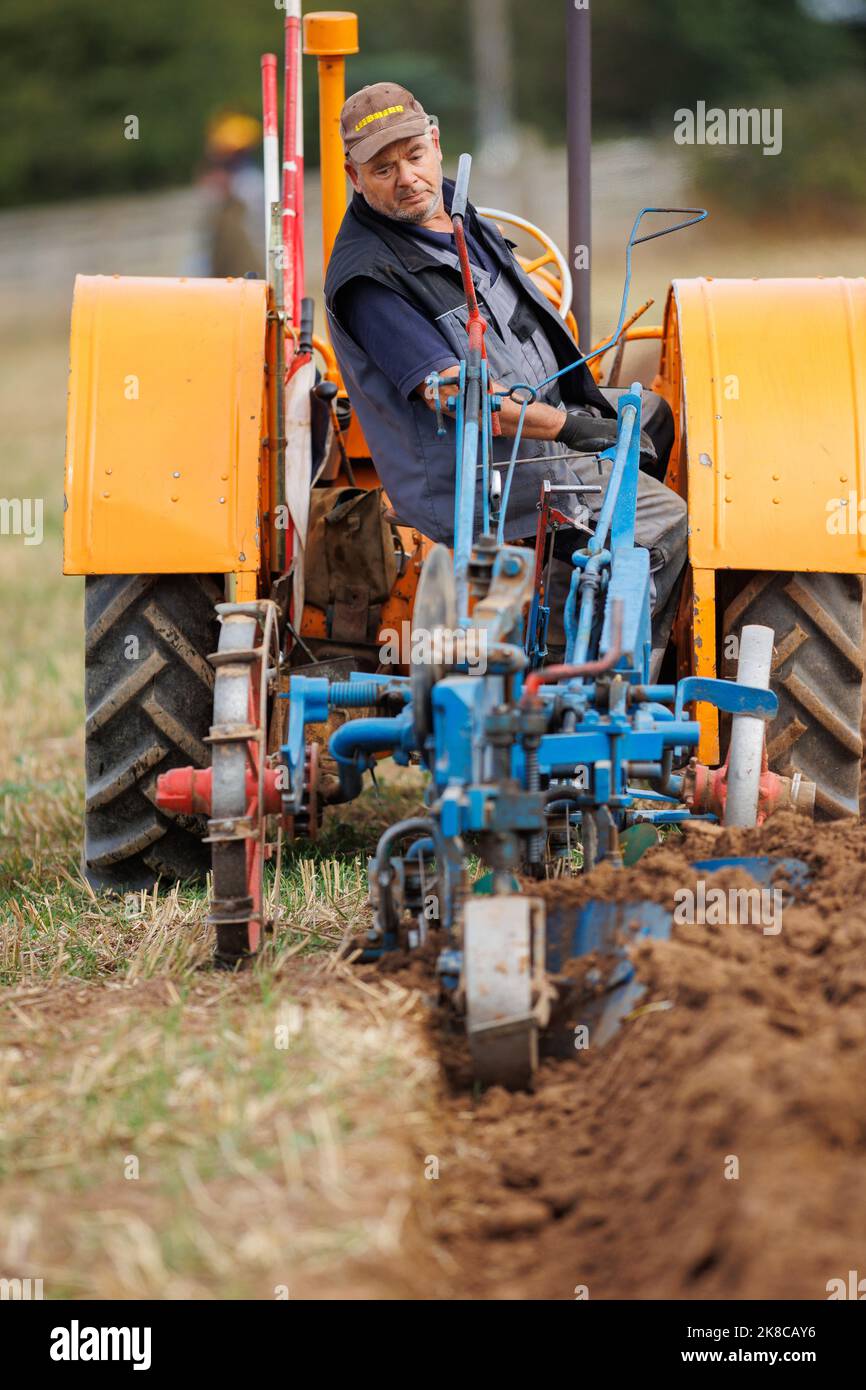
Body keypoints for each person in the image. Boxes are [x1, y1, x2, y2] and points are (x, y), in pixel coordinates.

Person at [324, 83, 687, 659]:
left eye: (414, 156)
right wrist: (571, 429)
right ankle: (584, 671)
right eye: (383, 168)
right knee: (664, 520)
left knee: (656, 418)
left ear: (435, 143)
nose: (407, 178)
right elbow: (461, 400)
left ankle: (576, 565)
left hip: (535, 423)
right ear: (354, 175)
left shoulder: (454, 208)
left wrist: (581, 413)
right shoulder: (370, 280)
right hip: (478, 469)